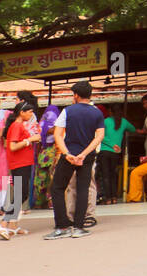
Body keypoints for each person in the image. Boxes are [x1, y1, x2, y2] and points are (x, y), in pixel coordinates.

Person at [45, 81, 105, 240]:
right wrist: (84, 154)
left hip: (69, 154)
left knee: (57, 188)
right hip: (87, 156)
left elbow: (58, 134)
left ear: (76, 95)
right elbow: (99, 136)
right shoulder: (97, 112)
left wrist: (67, 154)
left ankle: (62, 226)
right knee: (83, 188)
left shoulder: (67, 111)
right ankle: (78, 227)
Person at [0, 102, 40, 238]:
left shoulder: (17, 125)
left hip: (22, 162)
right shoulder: (16, 125)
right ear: (22, 112)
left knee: (21, 193)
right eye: (29, 112)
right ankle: (4, 224)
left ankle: (13, 226)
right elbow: (13, 146)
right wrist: (30, 139)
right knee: (20, 194)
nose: (31, 114)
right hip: (20, 163)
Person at [98, 107, 137, 204]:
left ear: (110, 112)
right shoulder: (123, 122)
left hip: (104, 151)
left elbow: (100, 136)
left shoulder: (105, 121)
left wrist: (111, 144)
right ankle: (114, 198)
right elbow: (133, 129)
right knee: (113, 175)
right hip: (116, 152)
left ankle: (108, 199)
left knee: (105, 175)